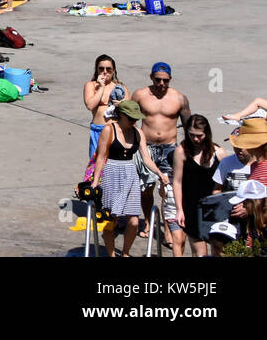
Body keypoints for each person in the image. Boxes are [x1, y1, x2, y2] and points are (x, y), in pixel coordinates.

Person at [89, 100, 171, 257]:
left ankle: (125, 253)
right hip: (112, 172)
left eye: (136, 118)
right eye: (131, 118)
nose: (134, 121)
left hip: (130, 173)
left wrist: (159, 174)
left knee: (133, 221)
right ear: (121, 115)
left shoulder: (138, 133)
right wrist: (95, 181)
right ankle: (111, 254)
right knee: (110, 220)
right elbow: (100, 157)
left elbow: (146, 158)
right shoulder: (109, 129)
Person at [134, 62, 191, 242]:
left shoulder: (179, 98)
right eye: (157, 80)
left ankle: (167, 229)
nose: (161, 84)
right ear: (151, 77)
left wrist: (187, 149)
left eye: (165, 81)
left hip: (170, 148)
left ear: (170, 79)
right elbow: (129, 120)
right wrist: (136, 141)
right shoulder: (140, 95)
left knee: (168, 190)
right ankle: (148, 221)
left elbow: (189, 126)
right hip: (147, 147)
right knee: (147, 189)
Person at [170, 115, 223, 257]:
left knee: (218, 250)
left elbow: (226, 183)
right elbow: (177, 181)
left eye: (199, 136)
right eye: (191, 135)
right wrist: (179, 209)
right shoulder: (181, 151)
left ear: (207, 133)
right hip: (192, 207)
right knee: (200, 253)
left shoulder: (218, 152)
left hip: (215, 209)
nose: (196, 139)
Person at [83, 55, 129, 163]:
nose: (105, 72)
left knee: (115, 165)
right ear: (96, 70)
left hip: (116, 132)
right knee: (96, 166)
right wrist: (101, 87)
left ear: (113, 71)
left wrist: (121, 105)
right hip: (98, 130)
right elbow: (90, 105)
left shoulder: (120, 88)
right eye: (101, 69)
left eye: (108, 69)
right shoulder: (91, 85)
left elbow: (129, 111)